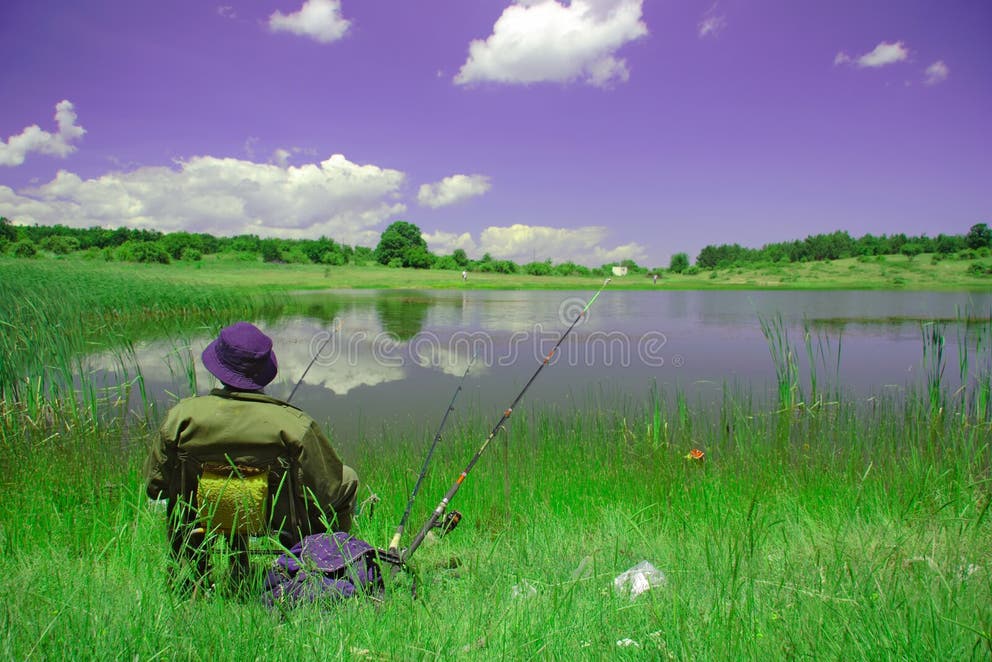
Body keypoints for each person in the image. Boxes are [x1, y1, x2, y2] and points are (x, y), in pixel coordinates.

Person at [144, 321, 359, 591]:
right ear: (263, 371)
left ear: (218, 367)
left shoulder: (181, 417)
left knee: (187, 496)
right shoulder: (294, 425)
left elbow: (156, 487)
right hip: (277, 519)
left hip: (201, 516)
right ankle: (327, 562)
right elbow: (327, 490)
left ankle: (192, 572)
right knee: (348, 478)